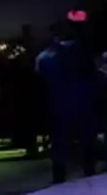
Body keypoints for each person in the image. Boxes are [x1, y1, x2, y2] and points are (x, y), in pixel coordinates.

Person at [36, 20, 99, 184]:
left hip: (58, 103)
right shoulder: (82, 53)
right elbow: (94, 76)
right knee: (87, 140)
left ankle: (58, 177)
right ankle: (89, 172)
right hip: (83, 101)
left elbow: (40, 82)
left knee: (60, 142)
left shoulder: (45, 57)